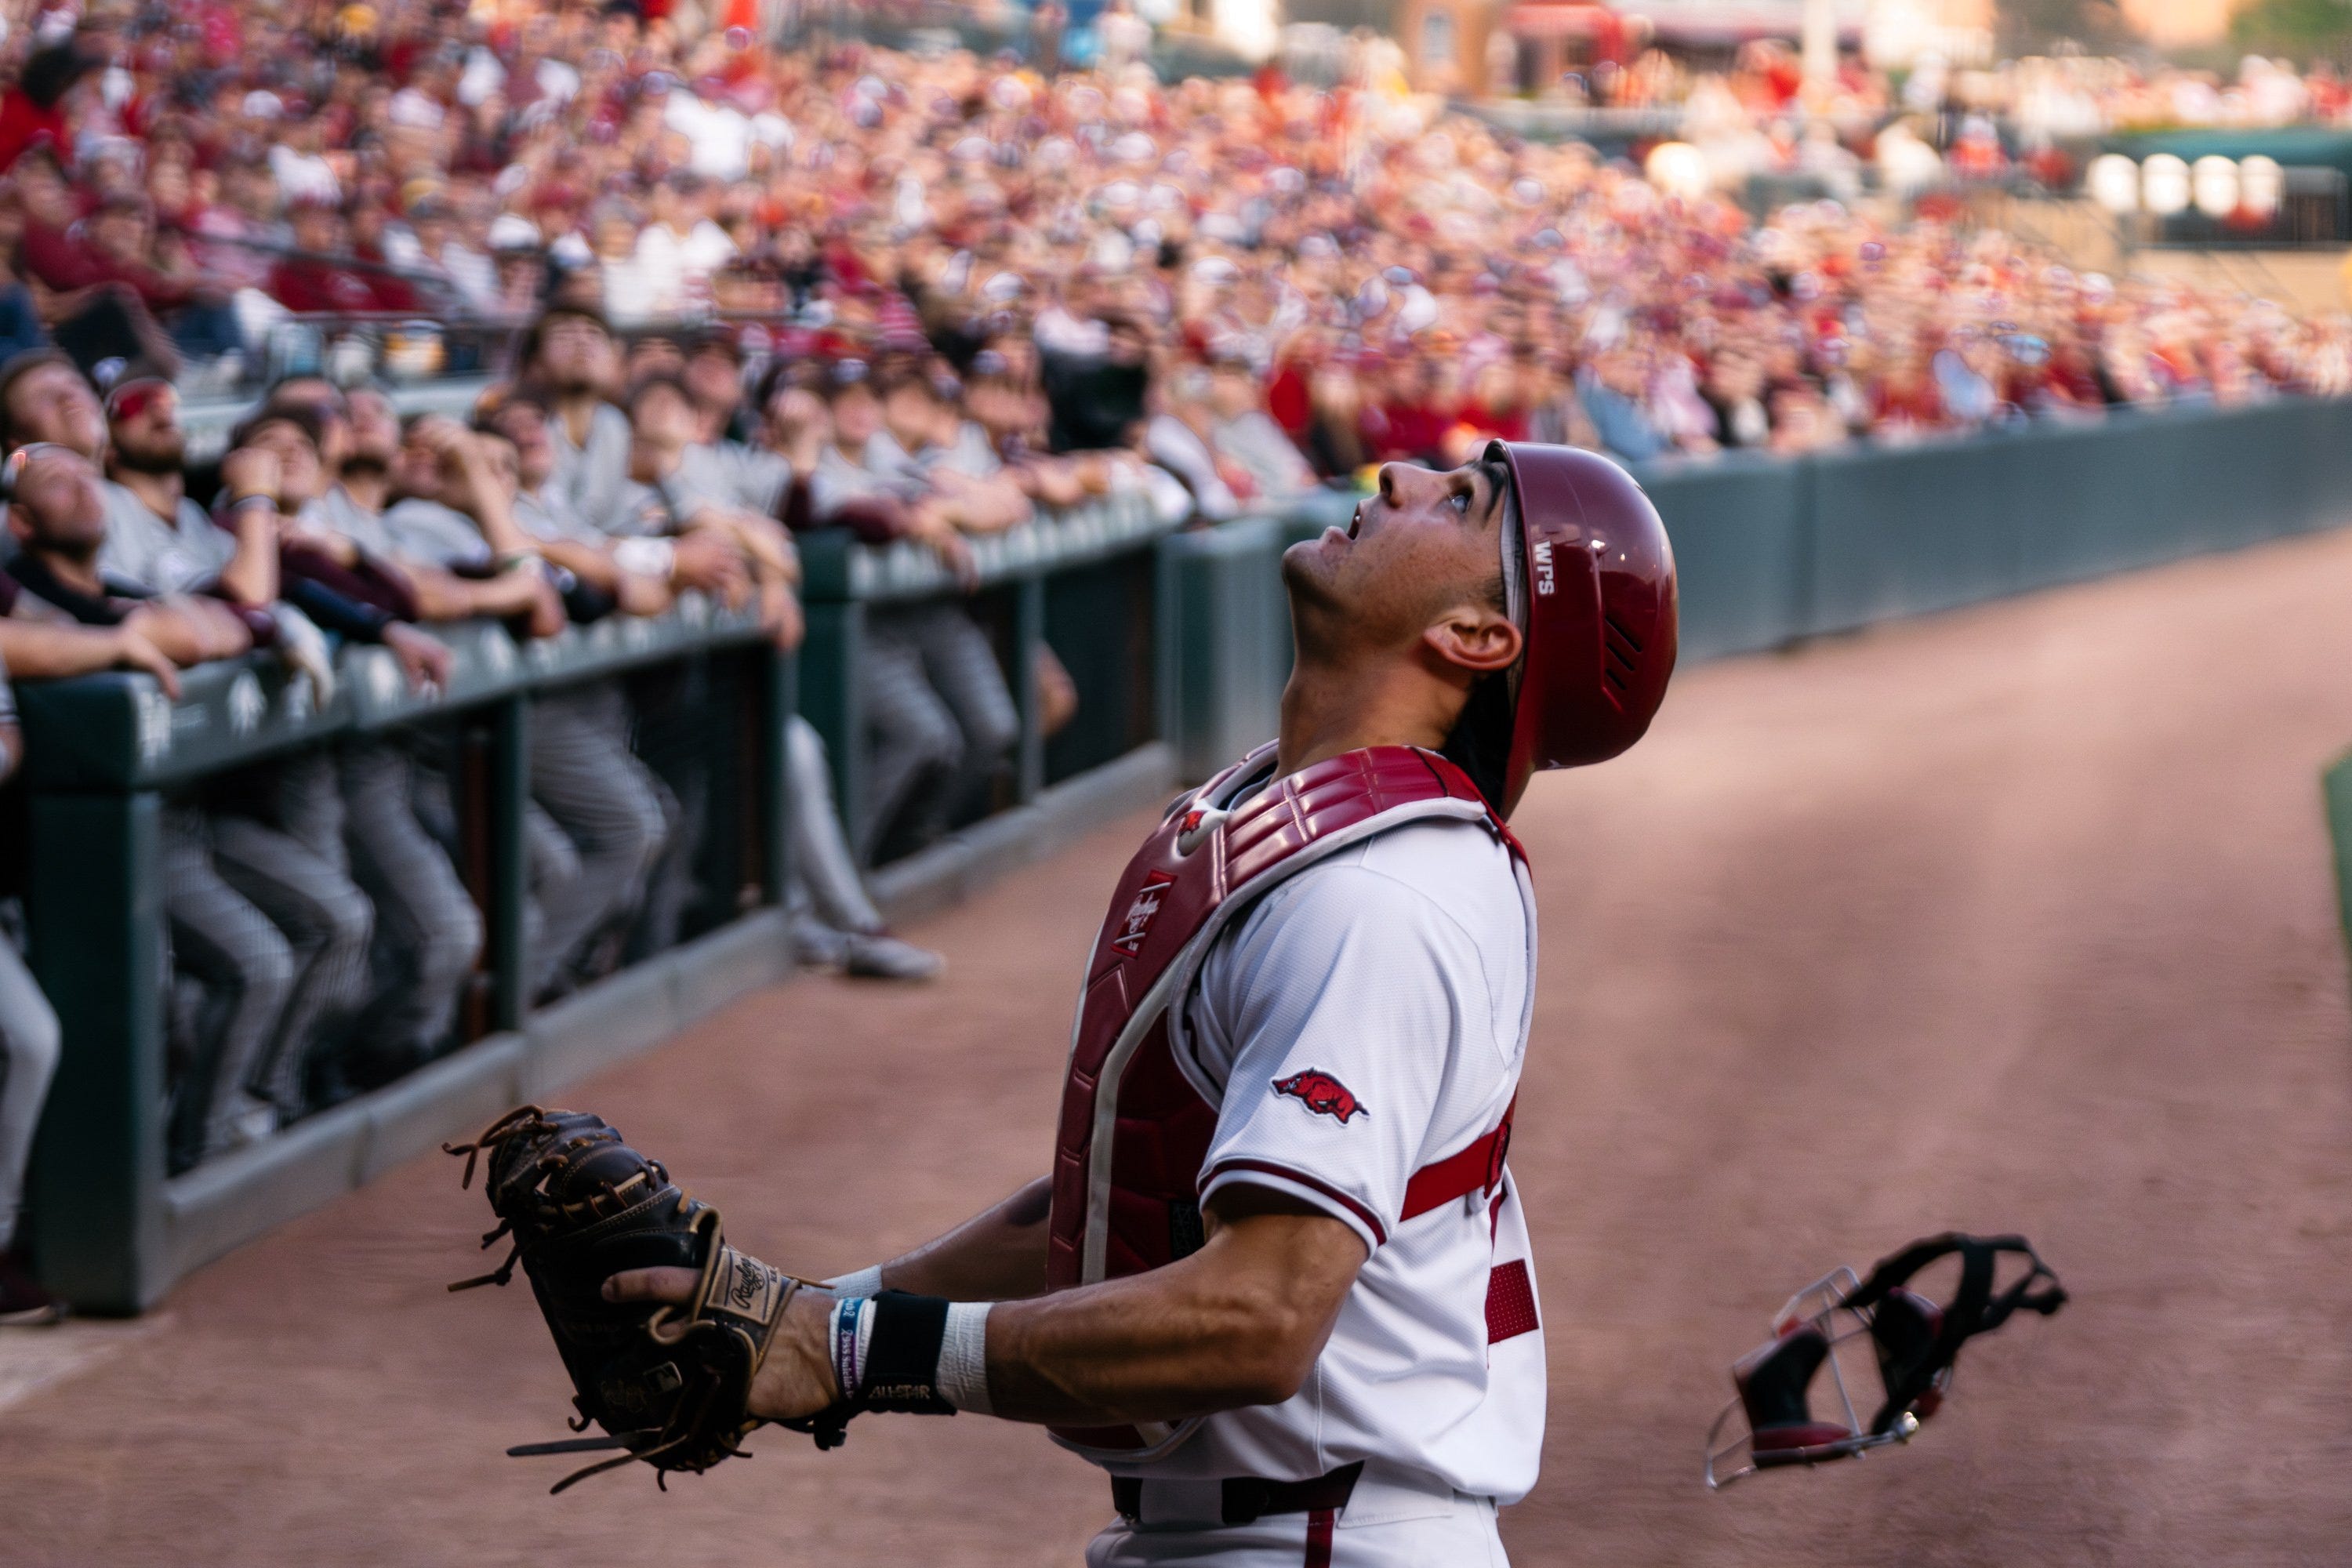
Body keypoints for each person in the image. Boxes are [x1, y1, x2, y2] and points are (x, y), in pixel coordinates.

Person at [604, 443, 1679, 1566]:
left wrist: (856, 1349)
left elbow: (1259, 1317)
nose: (1400, 476)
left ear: (1476, 638)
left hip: (1323, 1540)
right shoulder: (1292, 820)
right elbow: (1129, 1205)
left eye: (1458, 503)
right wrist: (803, 1312)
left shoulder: (1379, 898)